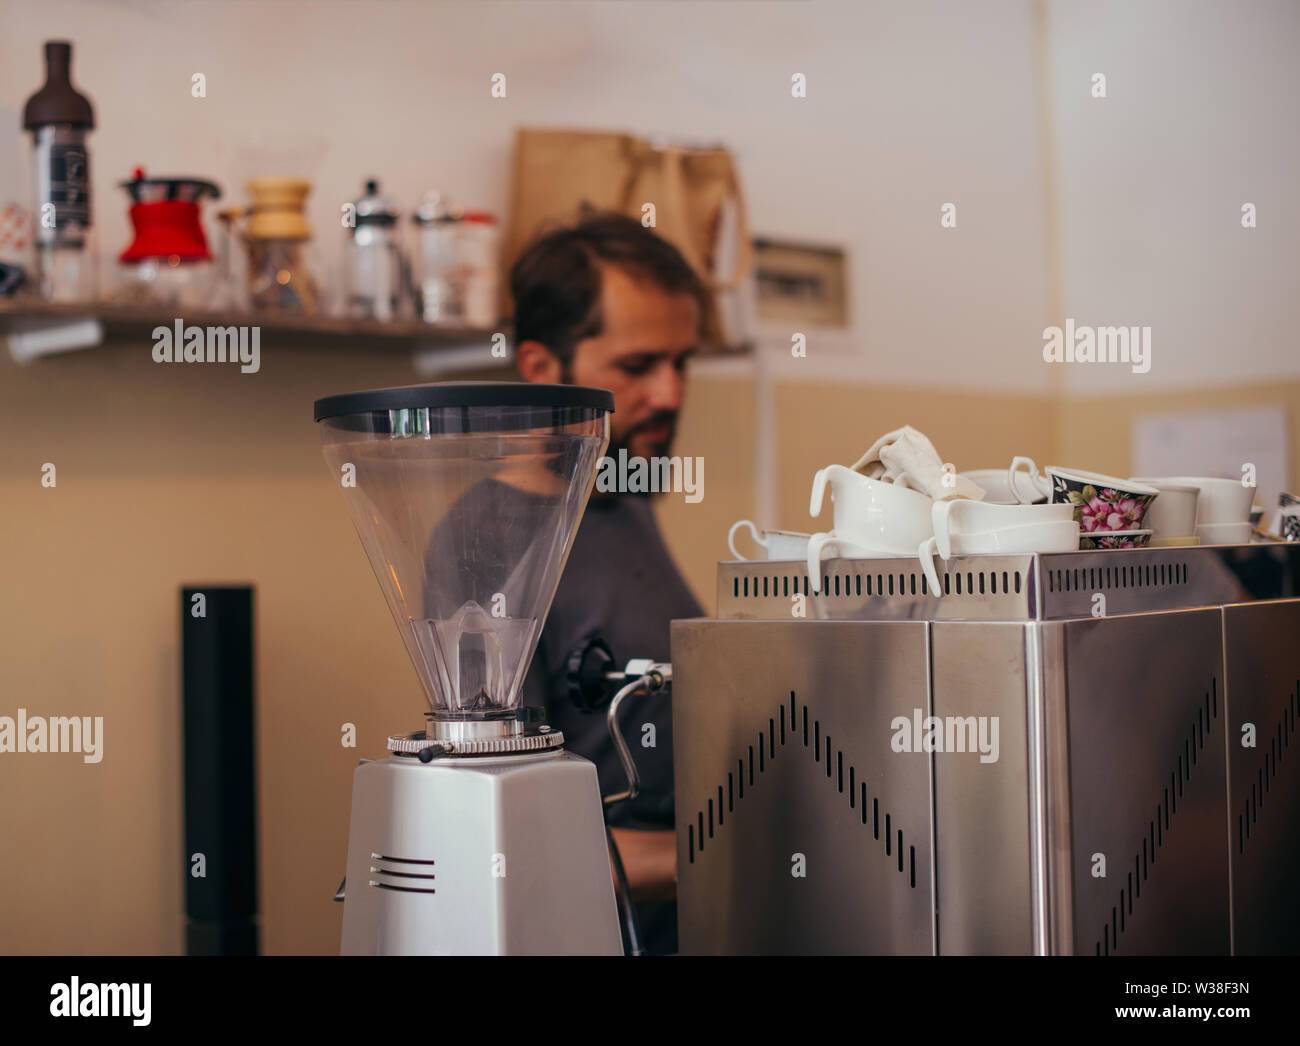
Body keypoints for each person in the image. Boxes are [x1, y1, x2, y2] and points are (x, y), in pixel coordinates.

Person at [511, 212, 706, 955]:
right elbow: (513, 847)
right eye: (638, 365)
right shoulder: (493, 549)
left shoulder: (619, 497)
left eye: (684, 362)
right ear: (539, 370)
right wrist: (755, 842)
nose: (671, 394)